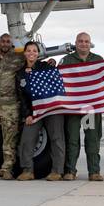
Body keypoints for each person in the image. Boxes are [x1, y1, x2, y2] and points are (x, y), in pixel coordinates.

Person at [16, 41, 66, 182]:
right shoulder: (20, 73)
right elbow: (22, 96)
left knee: (57, 138)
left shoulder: (46, 66)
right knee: (27, 139)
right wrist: (27, 114)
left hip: (51, 108)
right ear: (24, 53)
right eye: (29, 50)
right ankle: (27, 170)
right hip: (34, 111)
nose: (31, 53)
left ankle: (57, 171)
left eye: (34, 51)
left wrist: (53, 62)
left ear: (38, 53)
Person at [61, 31, 104, 181]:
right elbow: (59, 80)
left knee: (92, 139)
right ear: (76, 43)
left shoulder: (98, 60)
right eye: (80, 41)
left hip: (90, 108)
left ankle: (94, 171)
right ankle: (70, 171)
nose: (83, 44)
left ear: (90, 43)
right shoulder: (66, 60)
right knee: (72, 139)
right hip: (73, 107)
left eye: (86, 41)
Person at [0, 33, 25, 179]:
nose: (5, 43)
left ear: (11, 43)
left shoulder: (19, 58)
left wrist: (51, 61)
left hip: (11, 105)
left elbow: (34, 62)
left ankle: (7, 169)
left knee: (9, 140)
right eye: (3, 41)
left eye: (8, 41)